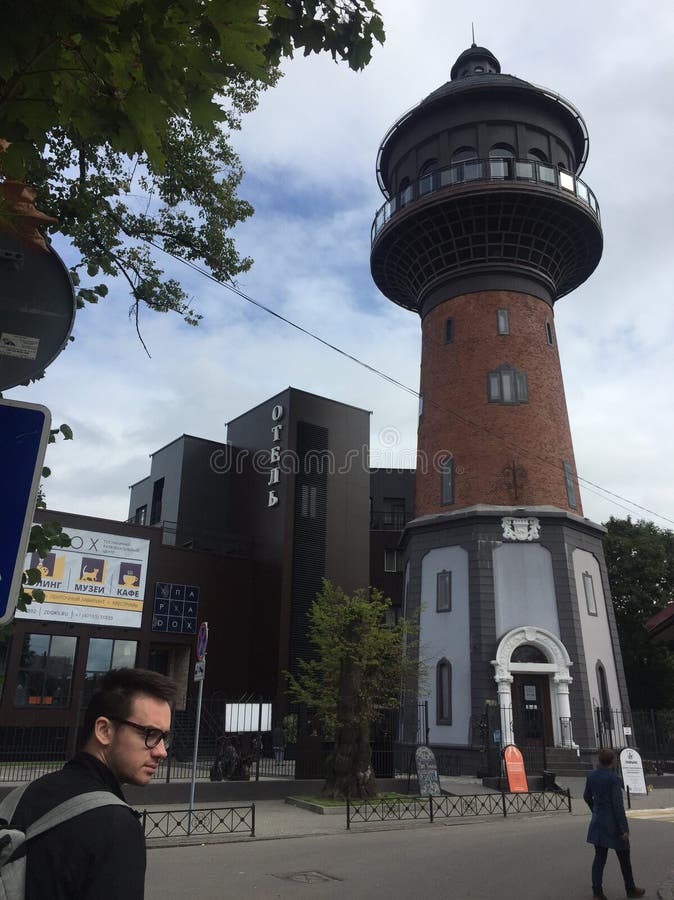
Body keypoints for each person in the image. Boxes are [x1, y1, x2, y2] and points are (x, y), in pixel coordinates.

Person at [9, 667, 176, 900]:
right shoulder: (116, 827)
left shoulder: (21, 797)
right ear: (104, 730)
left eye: (164, 738)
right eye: (149, 734)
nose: (161, 752)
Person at [583, 747, 645, 900]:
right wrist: (624, 828)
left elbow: (586, 796)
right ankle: (630, 888)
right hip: (614, 825)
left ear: (599, 760)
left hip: (598, 821)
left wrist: (595, 809)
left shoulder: (591, 775)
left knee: (599, 858)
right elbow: (617, 805)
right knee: (624, 857)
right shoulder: (613, 778)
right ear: (612, 761)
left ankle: (597, 893)